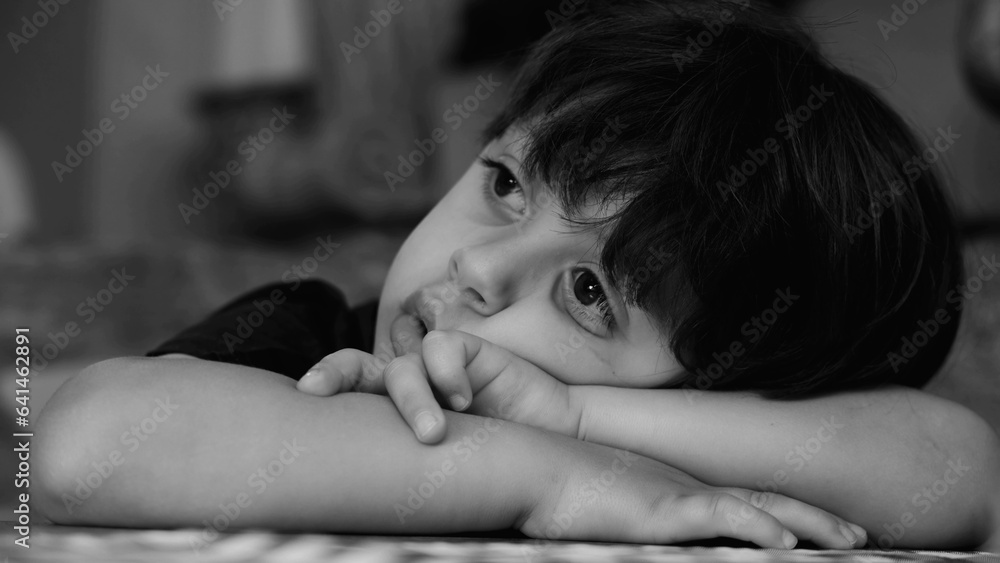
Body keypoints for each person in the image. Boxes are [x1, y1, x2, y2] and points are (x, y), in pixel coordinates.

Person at [35, 0, 999, 551]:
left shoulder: (701, 437)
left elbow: (954, 468)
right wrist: (550, 472)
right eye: (504, 184)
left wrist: (580, 418)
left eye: (589, 291)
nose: (479, 266)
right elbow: (80, 446)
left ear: (724, 382)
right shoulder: (315, 333)